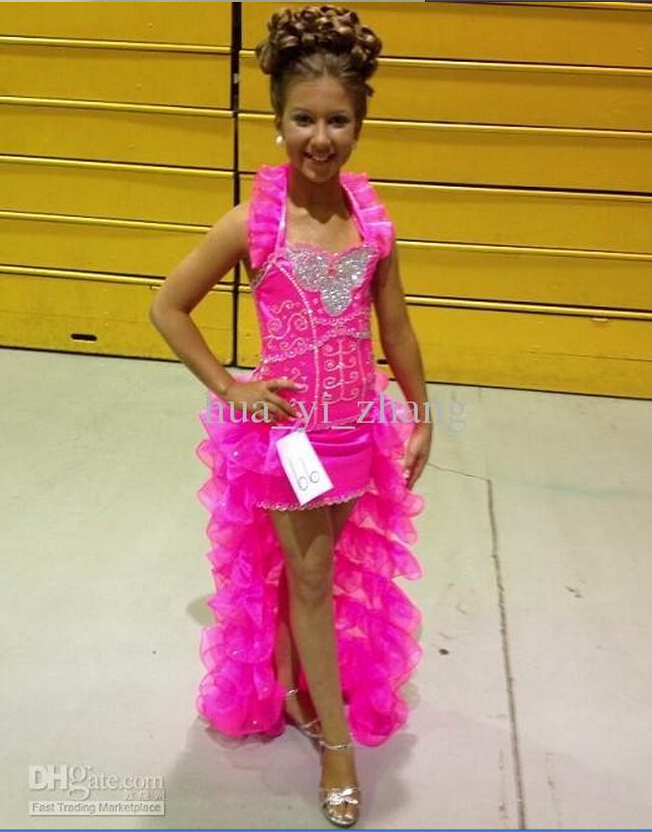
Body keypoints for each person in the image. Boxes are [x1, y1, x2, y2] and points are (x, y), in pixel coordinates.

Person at [149, 4, 432, 826]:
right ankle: (336, 744)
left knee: (317, 572)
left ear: (359, 124)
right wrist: (229, 386)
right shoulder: (254, 224)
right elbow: (168, 307)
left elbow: (397, 329)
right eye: (304, 119)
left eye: (337, 120)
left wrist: (421, 414)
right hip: (289, 439)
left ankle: (289, 687)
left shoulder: (372, 226)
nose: (320, 137)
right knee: (308, 580)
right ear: (277, 122)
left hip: (357, 431)